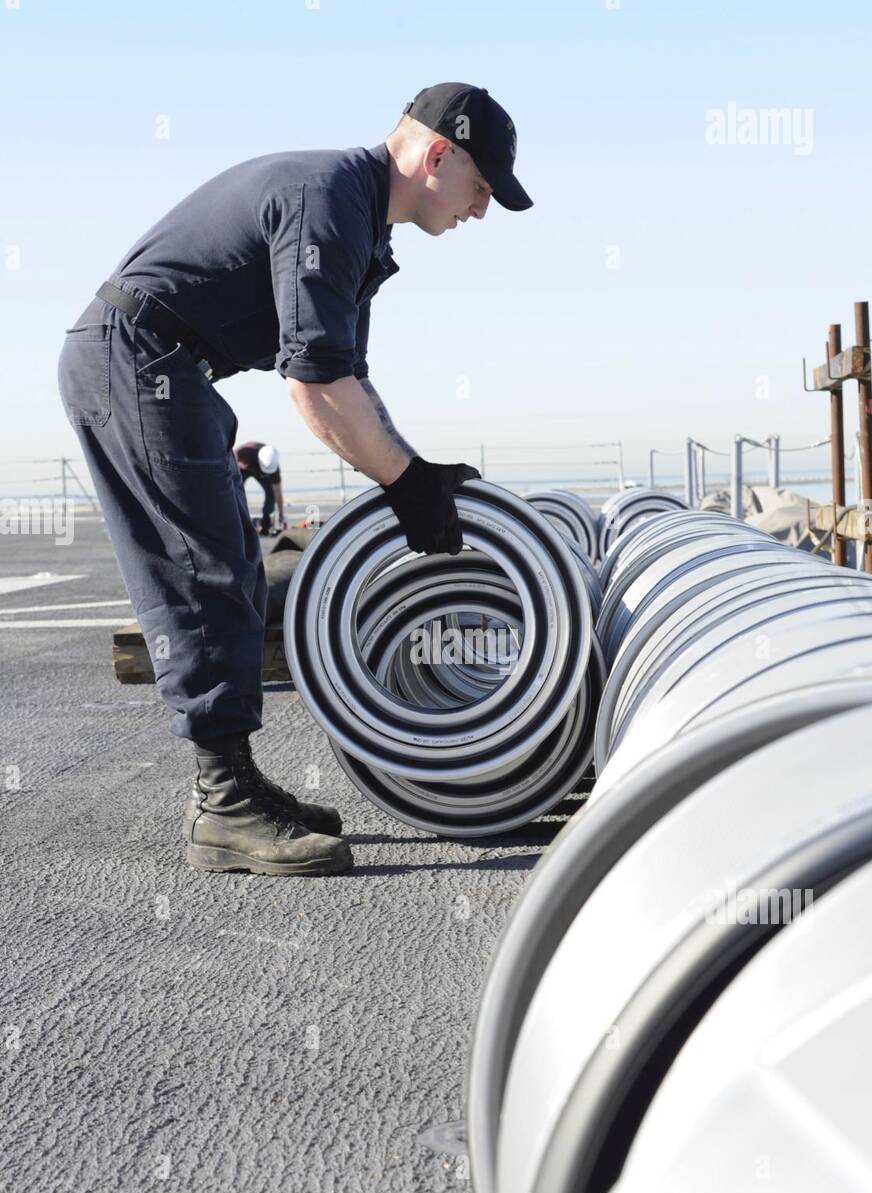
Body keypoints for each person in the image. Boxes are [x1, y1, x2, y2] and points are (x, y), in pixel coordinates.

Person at [56, 82, 532, 877]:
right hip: (135, 359)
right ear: (437, 153)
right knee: (201, 570)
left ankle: (236, 786)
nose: (481, 210)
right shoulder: (332, 202)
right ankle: (223, 807)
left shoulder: (361, 224)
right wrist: (406, 485)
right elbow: (312, 386)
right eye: (482, 188)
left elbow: (348, 382)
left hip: (168, 366)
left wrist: (417, 473)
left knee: (235, 565)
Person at [234, 440, 287, 535]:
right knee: (236, 492)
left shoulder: (273, 465)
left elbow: (278, 493)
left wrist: (281, 514)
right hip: (243, 468)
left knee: (271, 494)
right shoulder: (244, 454)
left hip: (257, 469)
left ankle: (265, 523)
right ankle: (238, 520)